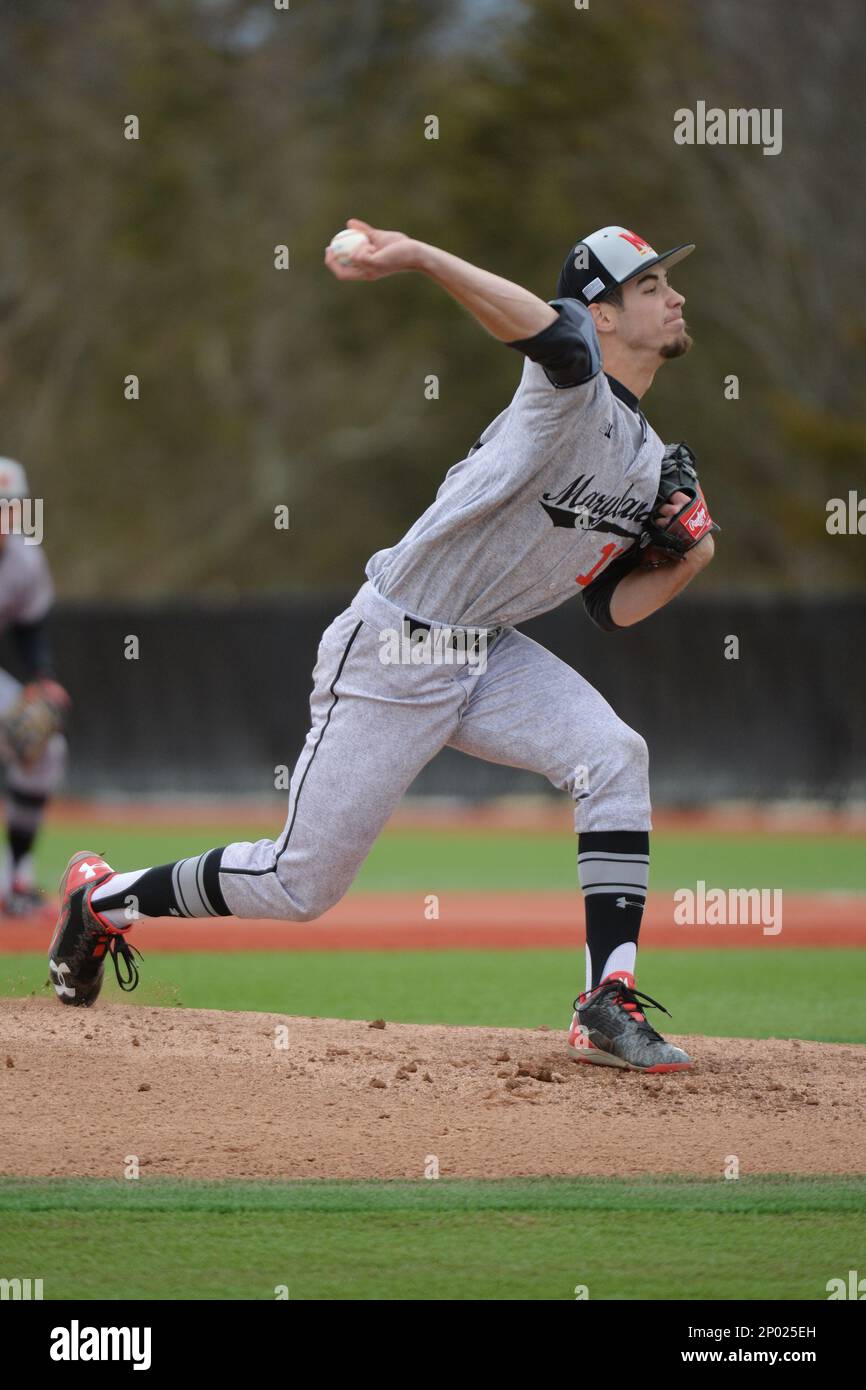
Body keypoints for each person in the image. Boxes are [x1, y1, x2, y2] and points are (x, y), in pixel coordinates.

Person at [48, 222, 717, 1073]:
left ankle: (605, 1002)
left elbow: (612, 609)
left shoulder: (647, 461)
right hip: (395, 643)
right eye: (652, 284)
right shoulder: (568, 387)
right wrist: (420, 256)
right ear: (604, 316)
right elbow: (547, 330)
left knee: (614, 755)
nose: (675, 296)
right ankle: (101, 899)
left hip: (487, 652)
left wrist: (695, 554)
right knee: (299, 885)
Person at [0, 457, 68, 915]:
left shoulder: (25, 558)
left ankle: (16, 878)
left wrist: (42, 679)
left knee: (46, 746)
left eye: (10, 506)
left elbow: (30, 627)